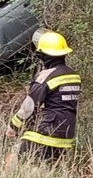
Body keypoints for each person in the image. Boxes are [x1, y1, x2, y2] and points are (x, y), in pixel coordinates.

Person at [6, 30, 81, 161]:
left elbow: (29, 107)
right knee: (47, 169)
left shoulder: (46, 76)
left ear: (43, 55)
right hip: (66, 134)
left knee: (14, 159)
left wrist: (13, 127)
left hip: (45, 132)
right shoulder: (73, 75)